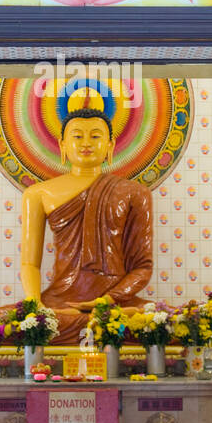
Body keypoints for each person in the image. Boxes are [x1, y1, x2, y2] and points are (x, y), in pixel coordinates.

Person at [18, 107, 153, 345]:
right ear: (62, 145)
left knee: (162, 317)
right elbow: (29, 263)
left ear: (111, 145)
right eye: (77, 136)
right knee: (1, 319)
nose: (86, 143)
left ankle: (97, 317)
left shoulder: (135, 193)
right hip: (60, 302)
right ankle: (79, 319)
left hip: (115, 304)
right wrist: (36, 305)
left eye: (96, 136)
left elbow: (142, 267)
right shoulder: (37, 194)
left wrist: (105, 302)